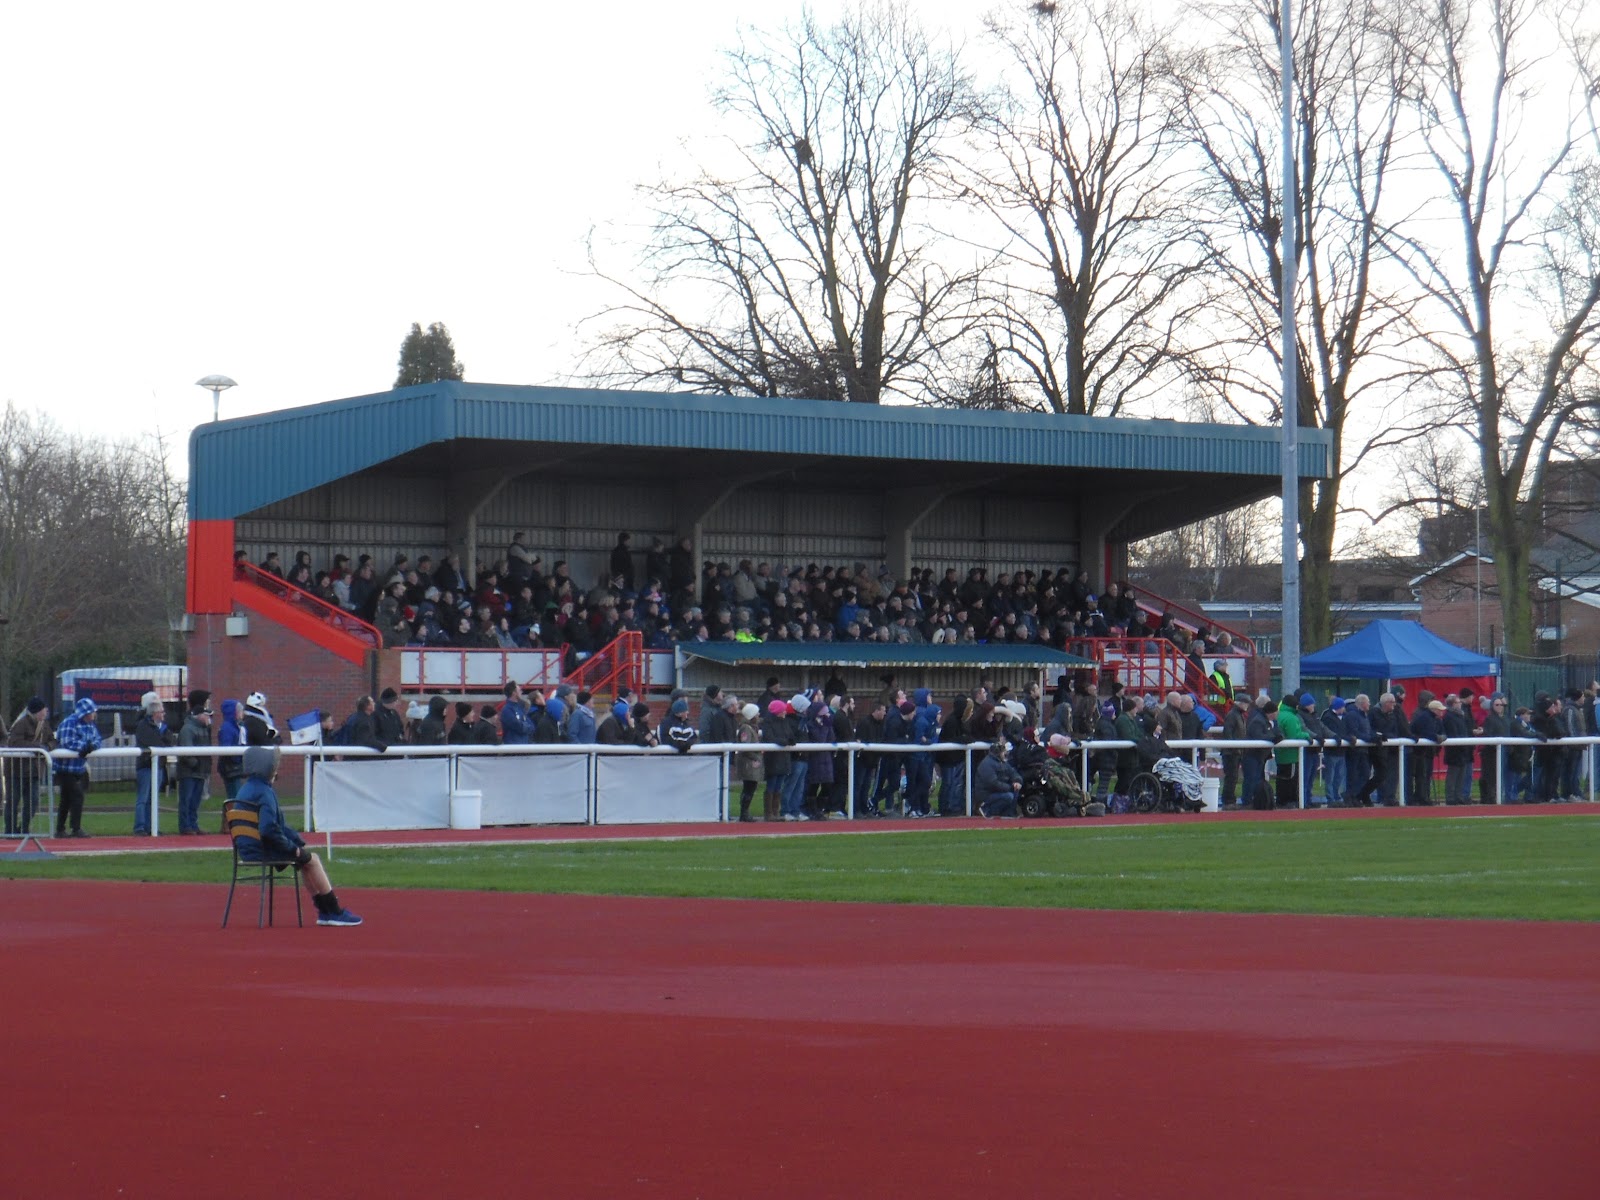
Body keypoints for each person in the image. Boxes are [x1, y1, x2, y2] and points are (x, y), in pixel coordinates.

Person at [232, 746, 362, 926]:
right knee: (312, 860)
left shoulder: (245, 789)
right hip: (262, 850)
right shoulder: (264, 792)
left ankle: (325, 910)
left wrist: (296, 842)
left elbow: (275, 826)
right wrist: (293, 848)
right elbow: (269, 829)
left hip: (249, 849)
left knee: (305, 860)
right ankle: (333, 910)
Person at [52, 697, 102, 838]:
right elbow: (67, 742)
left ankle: (60, 830)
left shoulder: (90, 725)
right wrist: (84, 747)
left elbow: (98, 740)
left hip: (78, 769)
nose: (94, 714)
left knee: (66, 799)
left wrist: (91, 746)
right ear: (85, 713)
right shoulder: (69, 723)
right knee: (77, 795)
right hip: (64, 768)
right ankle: (76, 828)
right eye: (92, 712)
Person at [5, 698, 51, 836]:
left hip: (34, 771)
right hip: (16, 771)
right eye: (44, 709)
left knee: (33, 802)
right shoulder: (21, 724)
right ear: (38, 711)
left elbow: (53, 740)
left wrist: (47, 747)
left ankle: (24, 828)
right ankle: (10, 830)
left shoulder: (44, 725)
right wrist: (37, 747)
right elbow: (15, 743)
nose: (46, 711)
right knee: (13, 802)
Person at [133, 691, 175, 836]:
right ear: (155, 713)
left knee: (153, 798)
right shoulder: (143, 726)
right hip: (146, 767)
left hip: (158, 766)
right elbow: (155, 743)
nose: (164, 714)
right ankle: (140, 827)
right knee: (143, 798)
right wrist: (162, 737)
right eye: (161, 711)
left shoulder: (162, 727)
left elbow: (170, 741)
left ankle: (152, 826)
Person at [175, 689, 214, 835]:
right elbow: (186, 751)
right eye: (206, 715)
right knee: (187, 800)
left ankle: (193, 824)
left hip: (199, 771)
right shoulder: (188, 729)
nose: (209, 718)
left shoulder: (203, 729)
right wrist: (195, 763)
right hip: (189, 771)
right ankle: (185, 826)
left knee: (195, 801)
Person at [975, 739, 1022, 818]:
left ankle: (1009, 813)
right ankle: (987, 810)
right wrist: (1009, 787)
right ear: (998, 753)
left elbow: (1013, 773)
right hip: (987, 794)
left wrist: (1017, 781)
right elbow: (993, 783)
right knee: (1009, 796)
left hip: (997, 791)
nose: (1005, 753)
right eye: (1003, 752)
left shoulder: (1002, 762)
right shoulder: (987, 764)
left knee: (1015, 790)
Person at [733, 703, 764, 821]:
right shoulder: (746, 728)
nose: (758, 715)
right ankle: (744, 813)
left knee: (751, 787)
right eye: (756, 713)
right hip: (748, 763)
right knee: (749, 787)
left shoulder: (752, 727)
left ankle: (745, 812)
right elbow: (745, 746)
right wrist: (755, 757)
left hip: (751, 762)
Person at [1220, 691, 1251, 808]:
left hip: (1235, 751)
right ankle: (1228, 801)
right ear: (1240, 703)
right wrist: (1234, 748)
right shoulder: (1233, 715)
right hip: (1231, 752)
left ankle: (1229, 800)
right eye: (1246, 703)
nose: (1247, 706)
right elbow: (1228, 733)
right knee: (1231, 777)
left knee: (1233, 777)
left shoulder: (1237, 715)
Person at [216, 699, 246, 803]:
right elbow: (226, 747)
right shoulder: (227, 728)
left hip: (234, 767)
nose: (242, 713)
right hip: (230, 767)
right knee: (235, 797)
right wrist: (236, 758)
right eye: (240, 711)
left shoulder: (237, 727)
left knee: (236, 795)